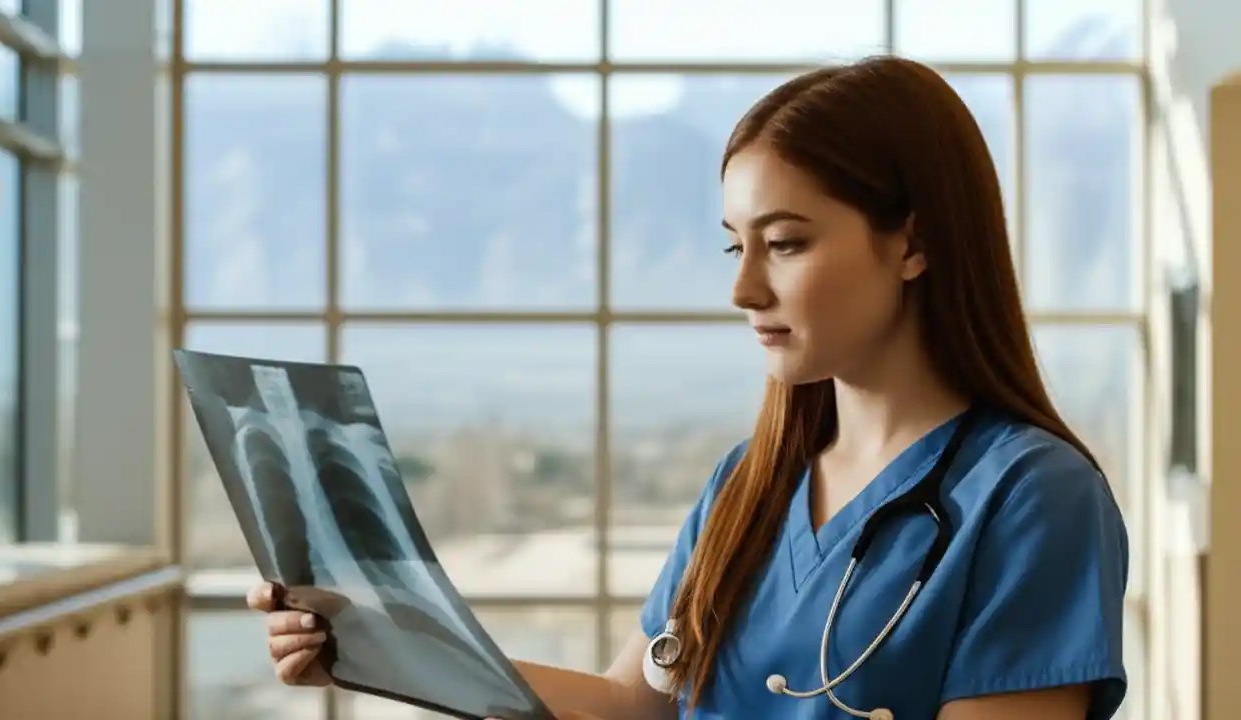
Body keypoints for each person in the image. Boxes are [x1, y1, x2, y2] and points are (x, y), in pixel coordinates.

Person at [245, 54, 1128, 720]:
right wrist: (378, 648)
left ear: (912, 243)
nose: (743, 290)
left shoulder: (1031, 500)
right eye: (732, 245)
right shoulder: (750, 484)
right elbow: (637, 706)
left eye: (784, 243)